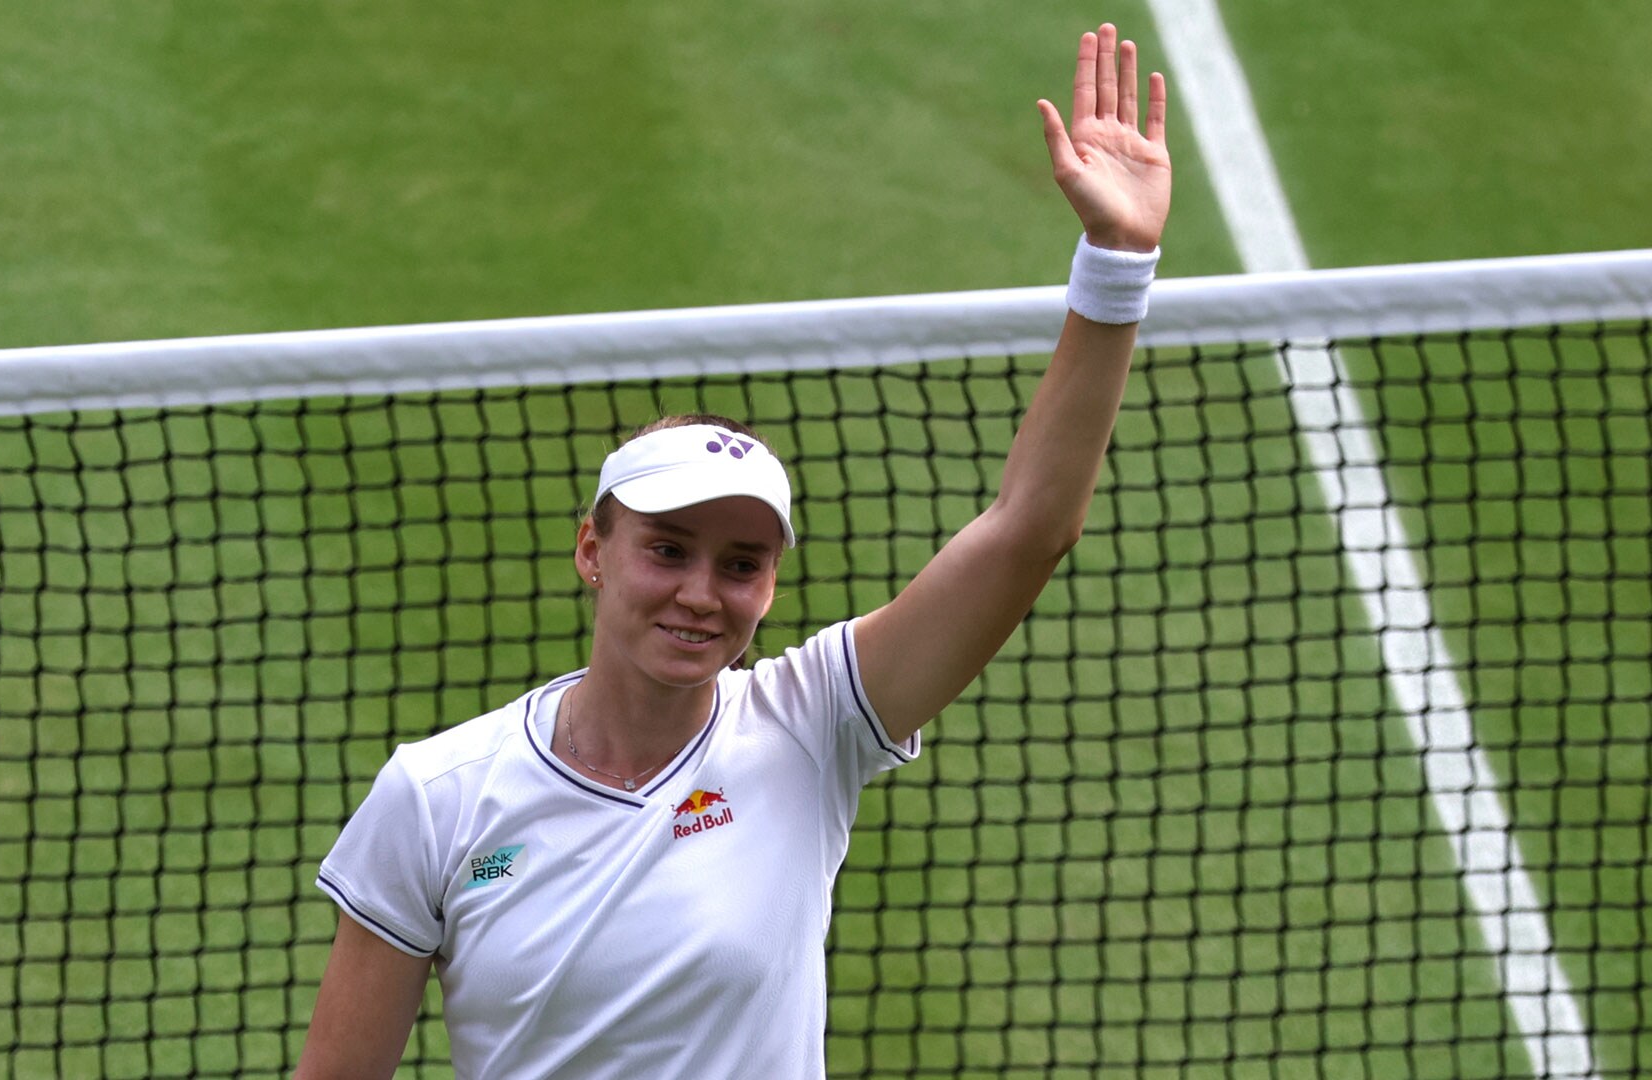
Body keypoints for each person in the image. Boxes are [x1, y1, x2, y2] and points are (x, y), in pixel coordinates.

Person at [297, 22, 1171, 1079]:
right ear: (593, 550)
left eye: (741, 564)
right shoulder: (436, 796)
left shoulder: (813, 726)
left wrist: (1115, 267)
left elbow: (1031, 528)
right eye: (668, 550)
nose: (701, 594)